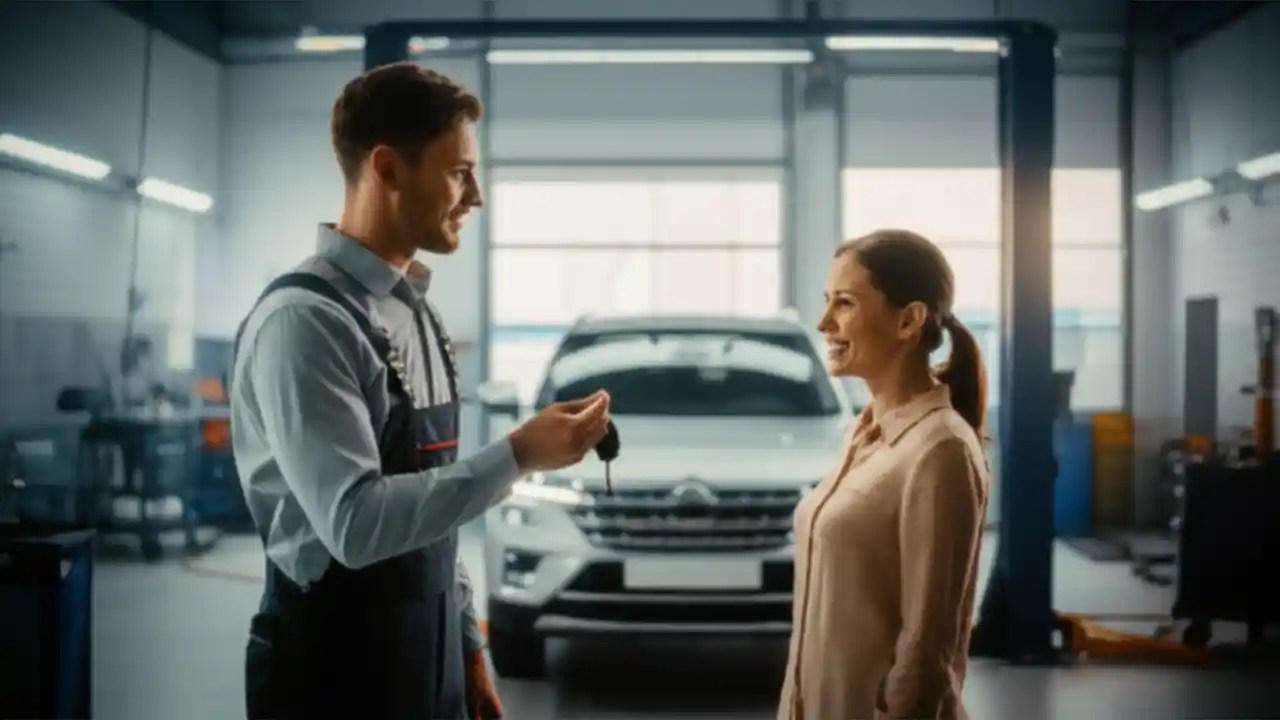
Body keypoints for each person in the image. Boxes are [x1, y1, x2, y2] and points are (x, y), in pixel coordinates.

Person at [229, 62, 612, 720]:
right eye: (460, 172)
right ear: (387, 167)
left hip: (428, 654)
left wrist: (467, 650)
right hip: (333, 671)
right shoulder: (305, 322)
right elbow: (355, 525)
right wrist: (517, 455)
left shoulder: (417, 313)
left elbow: (435, 509)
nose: (477, 196)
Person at [778, 229, 992, 720]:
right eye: (827, 302)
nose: (824, 322)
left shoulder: (940, 450)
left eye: (845, 304)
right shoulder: (864, 432)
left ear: (909, 321)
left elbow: (926, 651)